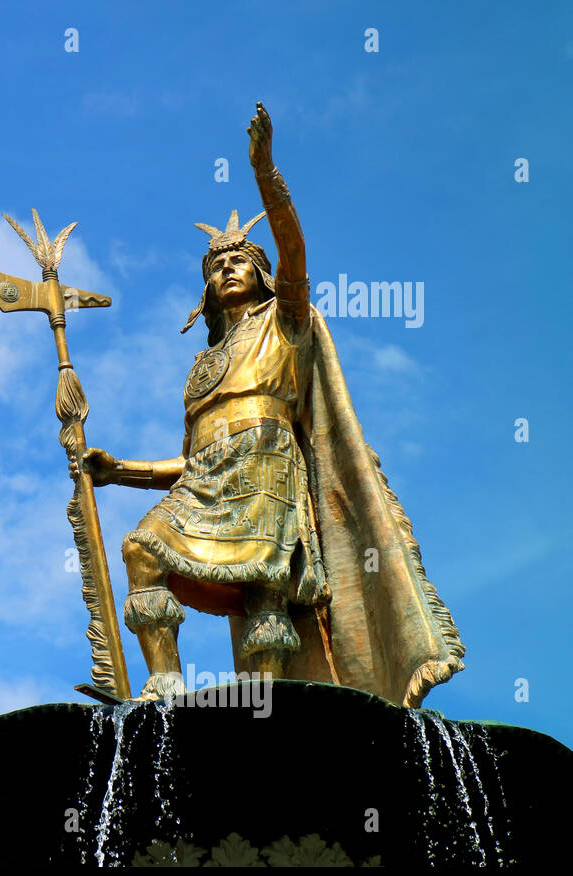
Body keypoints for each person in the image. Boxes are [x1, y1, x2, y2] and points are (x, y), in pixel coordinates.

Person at [74, 103, 464, 706]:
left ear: (263, 277)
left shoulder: (285, 323)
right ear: (205, 289)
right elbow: (195, 461)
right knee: (140, 548)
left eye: (241, 262)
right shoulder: (201, 369)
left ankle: (267, 701)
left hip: (268, 477)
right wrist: (117, 470)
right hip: (211, 479)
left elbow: (294, 251)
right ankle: (166, 681)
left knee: (263, 592)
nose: (229, 269)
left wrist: (264, 172)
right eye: (217, 266)